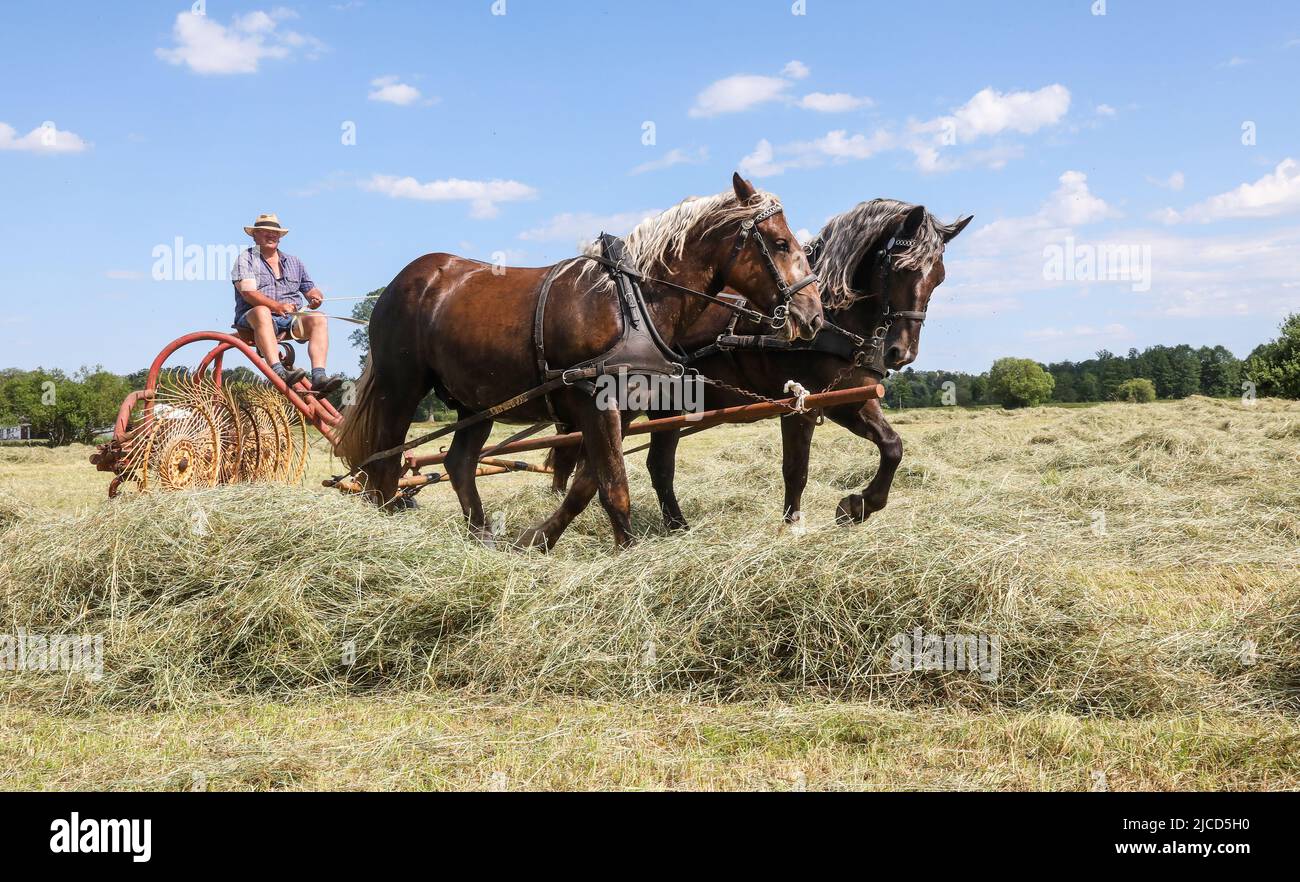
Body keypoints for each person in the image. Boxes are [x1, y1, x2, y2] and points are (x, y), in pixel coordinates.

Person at [230, 213, 343, 395]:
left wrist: (316, 297)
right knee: (261, 311)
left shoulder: (294, 262)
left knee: (319, 318)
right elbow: (248, 293)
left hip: (290, 320)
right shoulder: (246, 259)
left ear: (280, 237)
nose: (271, 235)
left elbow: (310, 289)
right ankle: (277, 371)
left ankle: (319, 376)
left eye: (275, 232)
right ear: (254, 235)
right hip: (253, 319)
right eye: (265, 231)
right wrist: (277, 306)